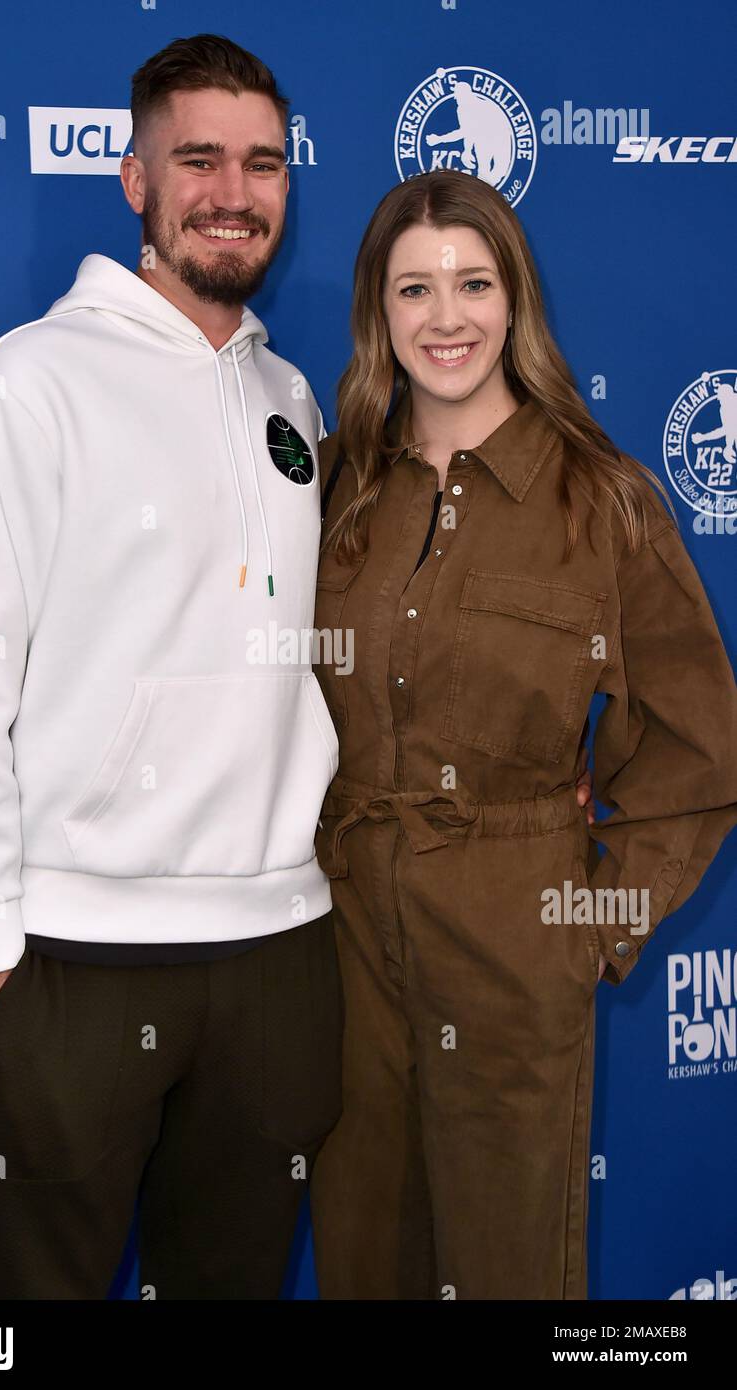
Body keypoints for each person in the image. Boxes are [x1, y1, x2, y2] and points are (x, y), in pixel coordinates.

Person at [0, 34, 345, 1300]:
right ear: (134, 177)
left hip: (277, 955)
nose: (232, 190)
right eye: (196, 157)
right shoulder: (24, 387)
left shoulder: (293, 400)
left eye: (261, 163)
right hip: (69, 961)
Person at [308, 168, 737, 1300]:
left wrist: (587, 928)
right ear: (377, 311)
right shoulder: (339, 485)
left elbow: (695, 745)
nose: (444, 317)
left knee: (506, 1273)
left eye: (471, 282)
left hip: (513, 939)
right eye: (413, 289)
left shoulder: (602, 500)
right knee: (363, 1252)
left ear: (514, 301)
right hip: (343, 937)